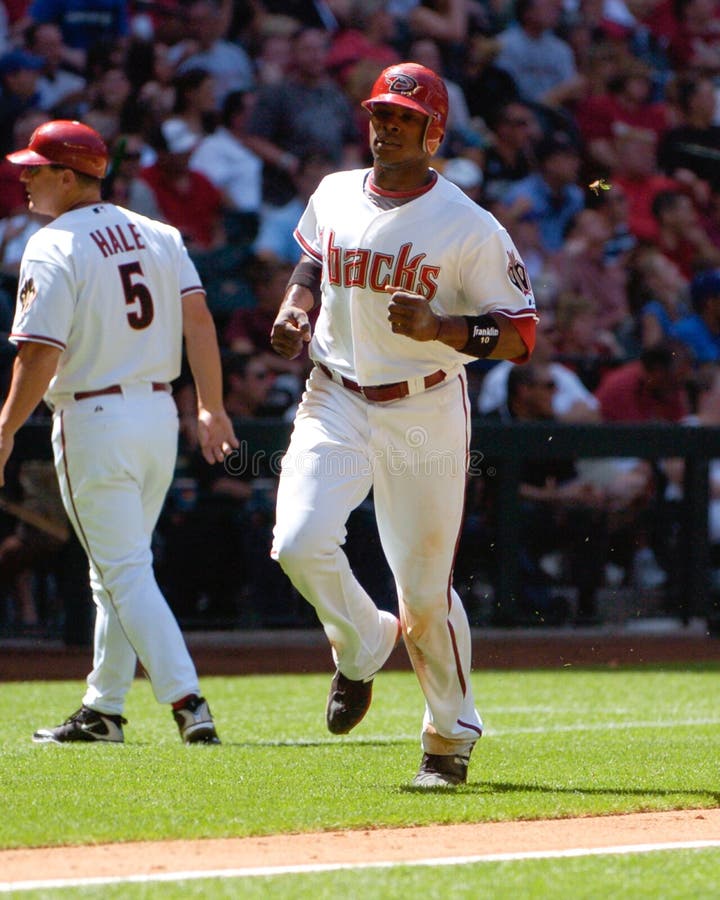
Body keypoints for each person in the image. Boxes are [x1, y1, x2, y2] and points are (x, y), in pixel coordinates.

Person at [269, 63, 537, 787]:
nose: (386, 126)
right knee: (297, 541)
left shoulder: (468, 225)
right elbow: (312, 262)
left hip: (424, 405)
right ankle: (362, 644)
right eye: (380, 114)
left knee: (422, 592)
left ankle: (449, 738)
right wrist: (295, 308)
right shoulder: (333, 191)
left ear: (434, 134)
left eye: (404, 118)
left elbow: (520, 334)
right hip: (335, 393)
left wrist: (444, 327)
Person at [0, 119, 238, 743]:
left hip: (94, 419)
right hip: (158, 418)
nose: (25, 179)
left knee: (124, 570)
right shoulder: (158, 233)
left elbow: (39, 353)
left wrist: (4, 429)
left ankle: (188, 702)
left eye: (37, 169)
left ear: (69, 176)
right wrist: (211, 406)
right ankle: (103, 709)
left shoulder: (52, 242)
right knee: (115, 569)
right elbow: (200, 322)